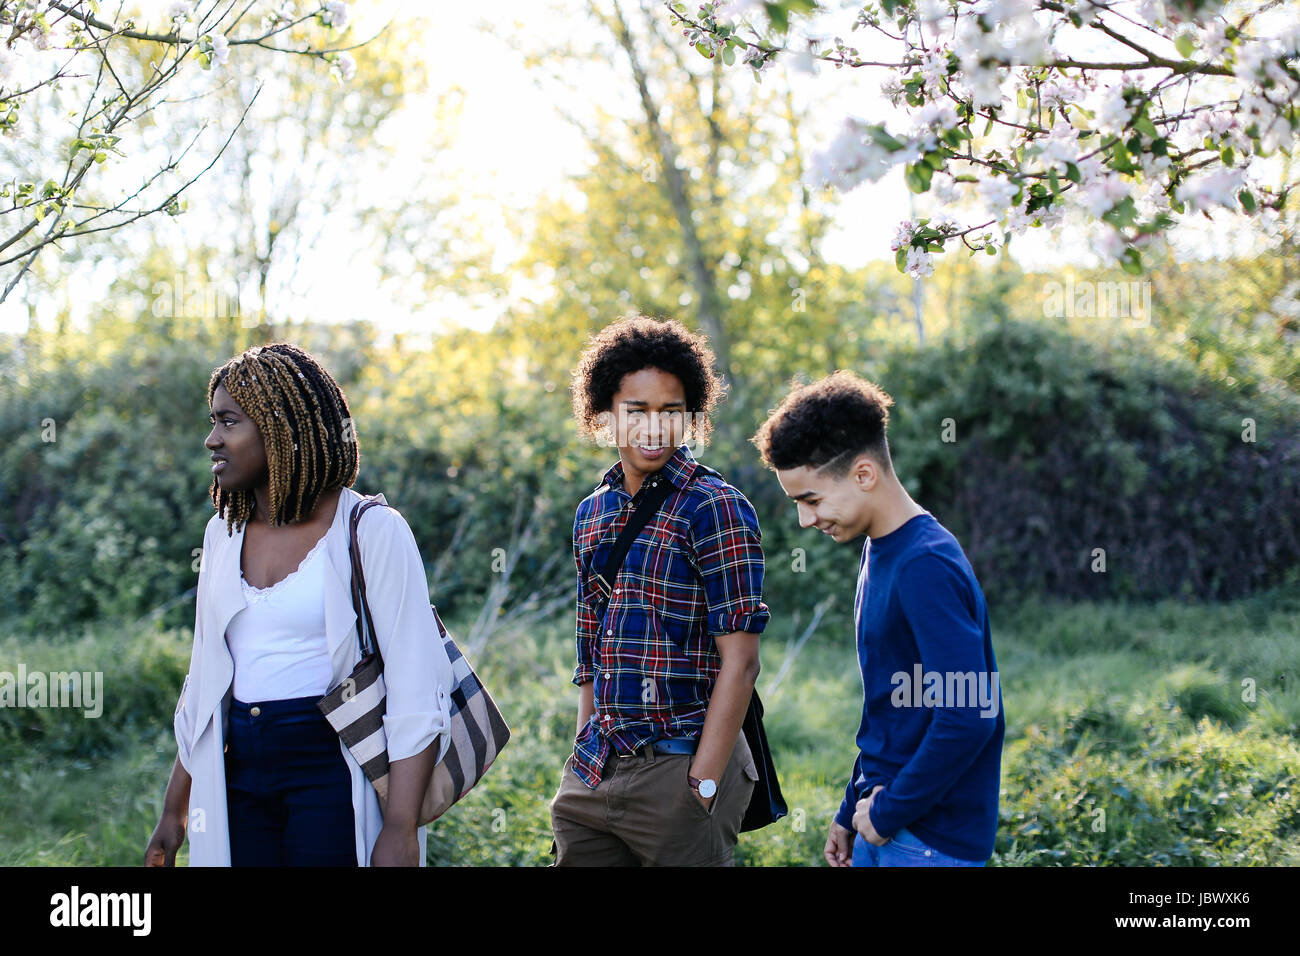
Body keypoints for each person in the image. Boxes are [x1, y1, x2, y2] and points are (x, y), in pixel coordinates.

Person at [144, 342, 456, 867]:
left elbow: (418, 688)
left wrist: (401, 829)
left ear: (279, 430)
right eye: (212, 421)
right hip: (238, 769)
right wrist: (174, 813)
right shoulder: (223, 533)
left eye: (228, 422)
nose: (211, 439)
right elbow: (205, 682)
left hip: (331, 766)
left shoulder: (371, 531)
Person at [752, 370, 1004, 867]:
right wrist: (851, 810)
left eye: (812, 500)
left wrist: (889, 812)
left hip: (930, 840)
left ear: (864, 475)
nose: (806, 519)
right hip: (887, 821)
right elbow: (892, 711)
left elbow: (969, 714)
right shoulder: (880, 549)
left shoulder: (925, 564)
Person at [549, 314, 769, 866]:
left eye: (671, 412)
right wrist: (581, 756)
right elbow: (590, 648)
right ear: (605, 415)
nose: (655, 428)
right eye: (637, 411)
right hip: (597, 768)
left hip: (682, 767)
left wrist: (705, 784)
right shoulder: (592, 512)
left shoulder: (714, 507)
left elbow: (741, 662)